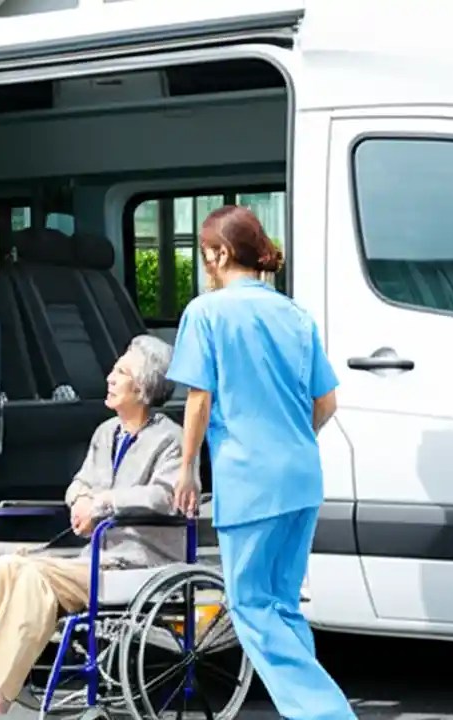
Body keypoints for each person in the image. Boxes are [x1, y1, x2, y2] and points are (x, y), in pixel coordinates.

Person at [0, 334, 198, 720]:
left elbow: (165, 497)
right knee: (2, 568)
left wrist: (101, 503)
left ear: (143, 386)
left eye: (120, 371)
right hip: (95, 558)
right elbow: (79, 483)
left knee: (33, 577)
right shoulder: (106, 432)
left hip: (138, 564)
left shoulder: (169, 439)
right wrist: (80, 501)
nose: (110, 377)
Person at [166, 205, 354, 720]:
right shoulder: (295, 314)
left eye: (206, 254)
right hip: (300, 477)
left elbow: (199, 400)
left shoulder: (207, 312)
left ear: (221, 254)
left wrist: (187, 467)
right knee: (284, 607)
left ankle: (326, 714)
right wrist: (290, 439)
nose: (206, 264)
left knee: (251, 609)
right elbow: (327, 403)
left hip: (249, 482)